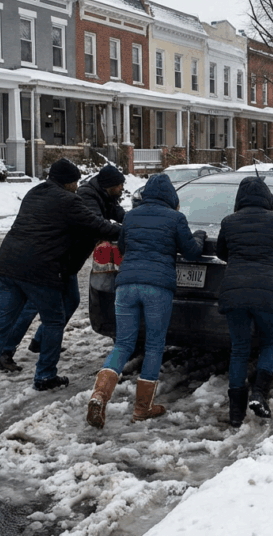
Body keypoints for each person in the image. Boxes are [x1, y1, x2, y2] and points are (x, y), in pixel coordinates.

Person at [0, 158, 122, 406]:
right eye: (75, 181)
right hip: (41, 270)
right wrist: (133, 230)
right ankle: (45, 376)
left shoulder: (33, 193)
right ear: (68, 182)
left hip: (6, 266)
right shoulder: (69, 201)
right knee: (53, 320)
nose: (77, 186)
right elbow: (97, 225)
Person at [86, 173, 204, 428]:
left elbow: (124, 248)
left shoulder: (131, 216)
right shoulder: (176, 218)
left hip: (126, 285)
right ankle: (142, 408)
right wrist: (200, 237)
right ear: (171, 196)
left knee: (124, 345)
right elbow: (192, 251)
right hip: (157, 287)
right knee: (153, 345)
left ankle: (99, 396)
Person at [0, 164, 126, 372]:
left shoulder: (103, 195)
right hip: (58, 260)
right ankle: (6, 350)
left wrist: (137, 222)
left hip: (69, 261)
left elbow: (118, 213)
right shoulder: (86, 196)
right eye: (119, 185)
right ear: (110, 185)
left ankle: (41, 342)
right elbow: (95, 225)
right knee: (33, 306)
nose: (121, 188)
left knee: (70, 301)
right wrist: (126, 232)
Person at [216, 176, 273, 428]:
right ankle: (259, 395)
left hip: (235, 293)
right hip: (266, 293)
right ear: (268, 197)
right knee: (269, 344)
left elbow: (222, 252)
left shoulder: (229, 222)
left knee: (240, 349)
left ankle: (235, 413)